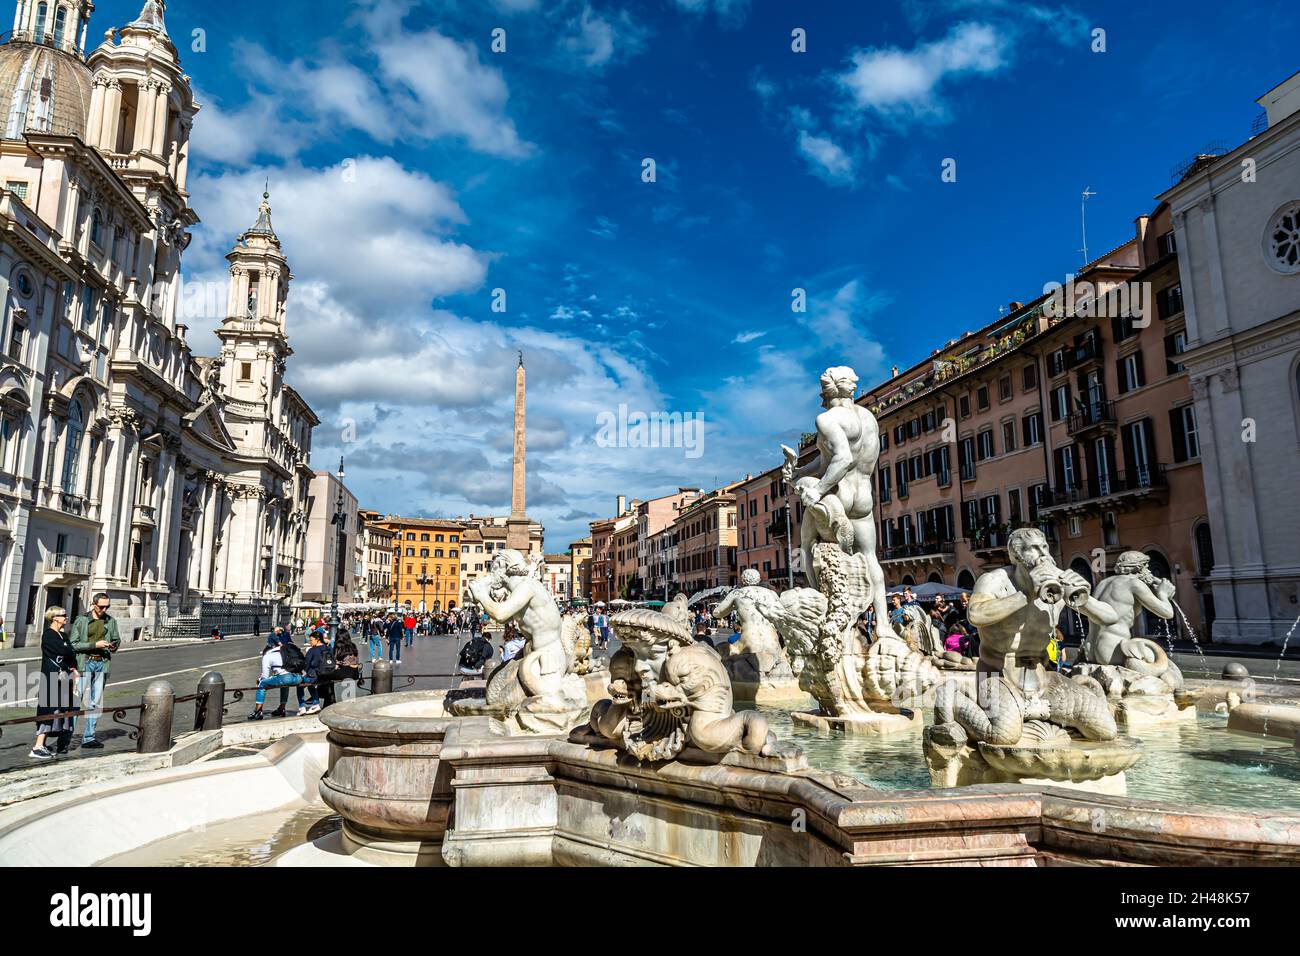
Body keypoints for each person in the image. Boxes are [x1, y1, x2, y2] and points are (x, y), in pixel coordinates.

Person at [68, 592, 120, 749]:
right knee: (76, 701)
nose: (104, 609)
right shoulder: (82, 620)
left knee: (95, 702)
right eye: (101, 606)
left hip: (101, 664)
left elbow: (116, 640)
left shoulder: (111, 621)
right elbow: (74, 644)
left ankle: (89, 738)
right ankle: (67, 737)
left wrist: (113, 645)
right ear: (94, 604)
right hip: (85, 664)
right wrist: (94, 645)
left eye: (107, 606)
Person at [31, 607, 78, 760]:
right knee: (48, 710)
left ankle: (43, 745)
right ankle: (37, 746)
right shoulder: (48, 635)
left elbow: (71, 653)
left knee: (58, 710)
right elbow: (65, 651)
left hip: (63, 678)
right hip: (50, 678)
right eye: (63, 615)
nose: (66, 617)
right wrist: (67, 650)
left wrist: (68, 652)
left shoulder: (63, 635)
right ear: (55, 618)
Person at [248, 634, 305, 720]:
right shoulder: (285, 651)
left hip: (286, 678)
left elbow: (265, 676)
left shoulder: (267, 656)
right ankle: (281, 708)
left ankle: (258, 711)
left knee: (262, 684)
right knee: (284, 684)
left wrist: (259, 680)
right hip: (298, 677)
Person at [301, 629, 332, 714]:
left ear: (317, 639)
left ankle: (303, 706)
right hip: (327, 675)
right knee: (311, 685)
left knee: (300, 685)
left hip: (315, 676)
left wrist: (304, 671)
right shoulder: (328, 648)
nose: (310, 642)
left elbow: (306, 664)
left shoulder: (312, 650)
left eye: (311, 640)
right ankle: (315, 704)